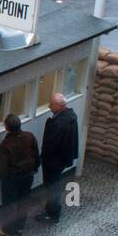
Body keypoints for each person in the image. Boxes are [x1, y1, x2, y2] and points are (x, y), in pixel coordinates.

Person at [0, 114, 39, 236]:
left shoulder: (5, 145)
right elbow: (36, 155)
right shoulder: (29, 137)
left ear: (6, 127)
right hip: (28, 175)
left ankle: (8, 230)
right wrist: (34, 169)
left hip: (12, 179)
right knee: (23, 201)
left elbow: (2, 168)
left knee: (10, 204)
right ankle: (19, 227)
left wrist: (4, 178)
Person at [37, 93, 79, 224]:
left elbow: (50, 144)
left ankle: (52, 214)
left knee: (52, 186)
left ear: (58, 105)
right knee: (54, 185)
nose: (49, 106)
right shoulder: (70, 117)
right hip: (61, 159)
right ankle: (52, 210)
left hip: (53, 161)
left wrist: (42, 157)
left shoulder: (58, 123)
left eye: (51, 104)